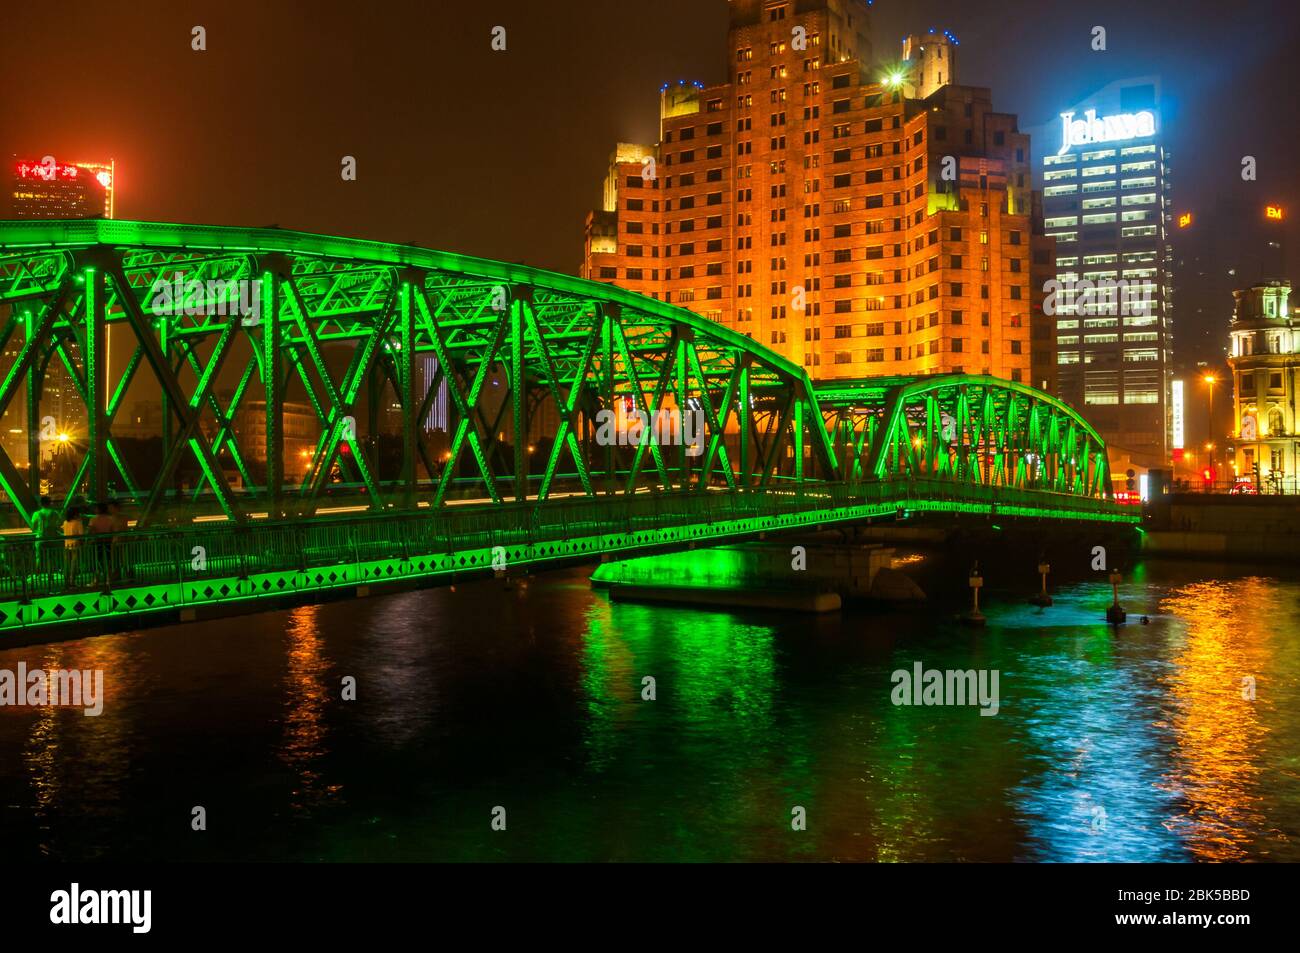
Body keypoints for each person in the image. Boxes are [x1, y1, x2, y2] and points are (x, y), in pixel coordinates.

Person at [30, 496, 61, 586]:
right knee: (51, 557)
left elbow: (33, 526)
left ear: (41, 503)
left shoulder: (37, 513)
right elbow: (58, 525)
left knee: (38, 557)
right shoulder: (55, 513)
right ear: (50, 503)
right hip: (52, 538)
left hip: (41, 538)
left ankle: (38, 575)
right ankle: (50, 574)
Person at [89, 502, 115, 585]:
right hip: (108, 542)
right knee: (108, 561)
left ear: (98, 509)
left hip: (98, 543)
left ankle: (96, 580)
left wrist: (90, 539)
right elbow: (113, 530)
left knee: (97, 561)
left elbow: (91, 530)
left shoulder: (93, 519)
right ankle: (108, 579)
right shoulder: (110, 519)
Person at [62, 506, 86, 586]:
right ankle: (72, 579)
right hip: (75, 544)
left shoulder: (65, 522)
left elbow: (63, 530)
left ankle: (66, 580)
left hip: (66, 544)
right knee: (74, 562)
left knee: (67, 563)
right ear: (75, 514)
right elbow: (81, 534)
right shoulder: (78, 522)